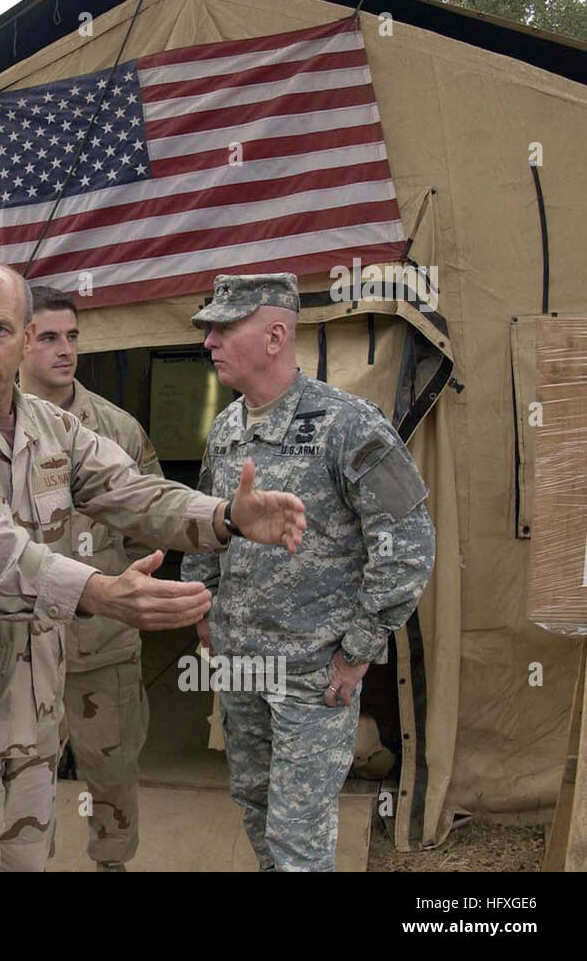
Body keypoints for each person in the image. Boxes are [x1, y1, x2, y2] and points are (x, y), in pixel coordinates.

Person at [0, 262, 307, 872]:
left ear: (24, 338)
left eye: (0, 330)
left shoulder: (53, 428)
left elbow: (134, 491)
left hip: (36, 713)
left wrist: (225, 517)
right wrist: (100, 592)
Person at [182, 273, 436, 871]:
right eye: (208, 329)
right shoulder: (226, 429)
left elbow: (408, 543)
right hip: (243, 664)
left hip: (312, 674)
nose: (209, 341)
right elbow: (204, 522)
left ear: (275, 336)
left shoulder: (349, 425)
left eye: (224, 327)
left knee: (299, 838)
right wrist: (203, 608)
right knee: (257, 808)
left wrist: (360, 650)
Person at [18, 283, 158, 871]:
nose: (65, 350)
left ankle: (111, 864)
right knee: (22, 785)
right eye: (48, 337)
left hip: (102, 648)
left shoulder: (115, 429)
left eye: (72, 336)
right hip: (22, 650)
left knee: (114, 775)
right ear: (21, 341)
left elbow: (149, 525)